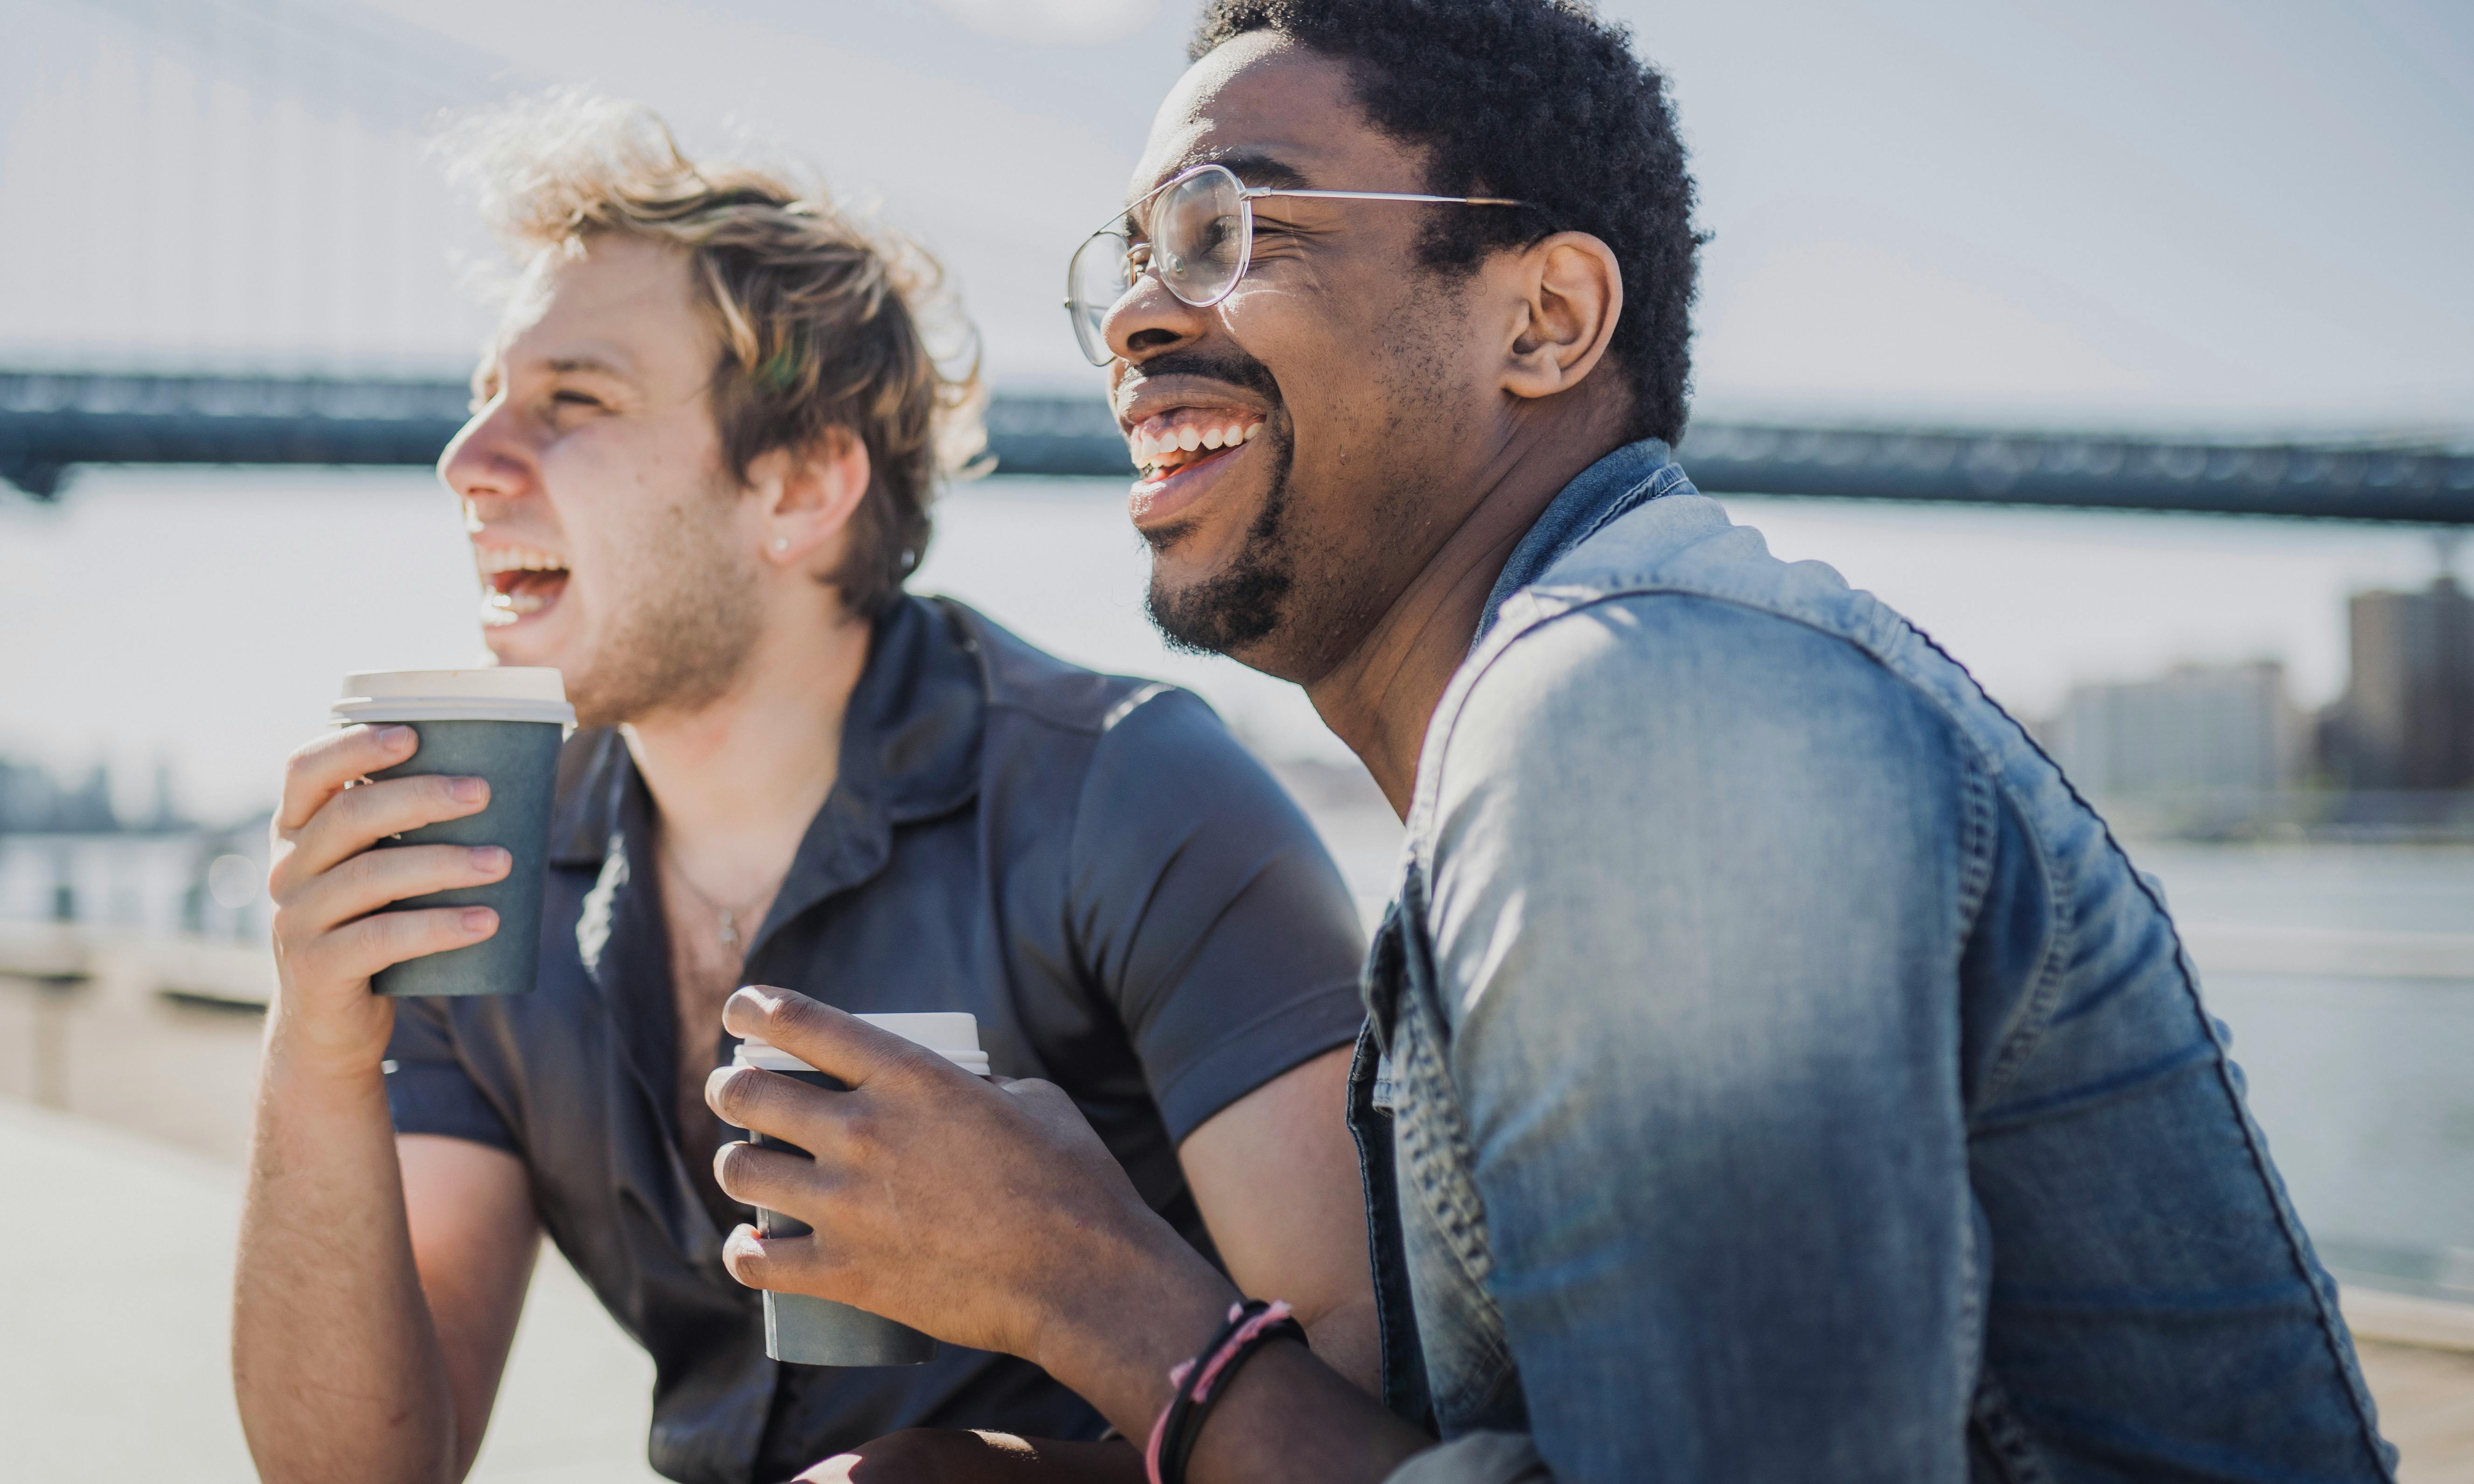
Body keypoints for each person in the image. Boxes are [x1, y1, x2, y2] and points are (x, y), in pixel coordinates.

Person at [697, 4, 2402, 1481]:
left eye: (1230, 227)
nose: (1141, 317)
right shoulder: (1573, 717)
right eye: (1136, 254)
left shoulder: (1633, 716)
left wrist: (1094, 1291)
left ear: (1547, 321)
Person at [230, 91, 1381, 1484]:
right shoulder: (485, 876)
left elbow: (1364, 1416)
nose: (465, 465)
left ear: (801, 487)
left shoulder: (1128, 796)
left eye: (572, 401)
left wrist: (954, 1479)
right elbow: (357, 1469)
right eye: (482, 406)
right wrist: (316, 1053)